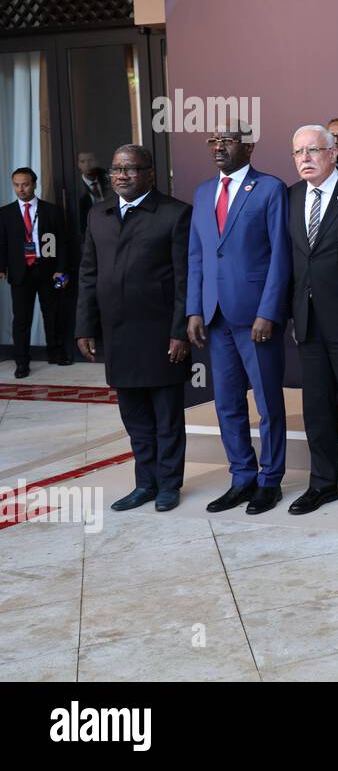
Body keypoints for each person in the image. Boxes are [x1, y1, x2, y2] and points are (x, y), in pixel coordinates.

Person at [76, 146, 192, 512]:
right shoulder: (98, 215)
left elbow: (185, 280)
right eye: (116, 169)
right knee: (135, 417)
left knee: (166, 417)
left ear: (150, 174)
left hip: (161, 334)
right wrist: (84, 327)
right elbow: (88, 275)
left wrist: (179, 332)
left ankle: (169, 486)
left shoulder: (175, 214)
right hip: (119, 333)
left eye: (130, 169)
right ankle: (146, 483)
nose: (121, 175)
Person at [186, 126, 291, 515]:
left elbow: (281, 255)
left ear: (248, 146)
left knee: (267, 403)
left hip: (255, 316)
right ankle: (242, 477)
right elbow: (197, 255)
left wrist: (269, 311)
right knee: (227, 403)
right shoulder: (202, 192)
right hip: (214, 316)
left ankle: (270, 480)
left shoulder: (269, 188)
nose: (217, 147)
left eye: (226, 141)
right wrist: (194, 309)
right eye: (212, 141)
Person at [286, 125, 338, 516]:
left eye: (313, 150)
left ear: (333, 153)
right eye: (298, 152)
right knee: (316, 407)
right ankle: (321, 484)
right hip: (307, 320)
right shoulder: (292, 196)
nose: (305, 158)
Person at [1, 167, 72, 377]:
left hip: (47, 270)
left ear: (34, 184)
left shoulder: (52, 211)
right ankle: (22, 362)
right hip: (20, 273)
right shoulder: (5, 213)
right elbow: (2, 244)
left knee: (52, 314)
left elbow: (63, 244)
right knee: (21, 319)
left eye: (25, 184)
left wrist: (61, 270)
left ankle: (56, 353)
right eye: (16, 184)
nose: (20, 189)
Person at [77, 152, 112, 230]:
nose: (87, 164)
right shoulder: (76, 188)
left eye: (90, 160)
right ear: (78, 165)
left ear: (97, 162)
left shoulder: (108, 181)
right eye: (83, 161)